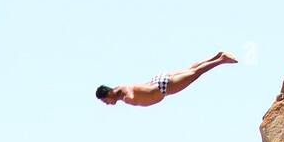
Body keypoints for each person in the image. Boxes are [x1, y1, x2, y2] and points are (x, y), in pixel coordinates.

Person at [95, 51, 237, 107]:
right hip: (159, 80)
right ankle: (217, 56)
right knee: (191, 69)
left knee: (195, 73)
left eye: (105, 101)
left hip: (163, 88)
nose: (107, 104)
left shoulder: (124, 95)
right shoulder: (121, 88)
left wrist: (130, 99)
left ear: (108, 93)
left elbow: (134, 95)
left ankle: (221, 60)